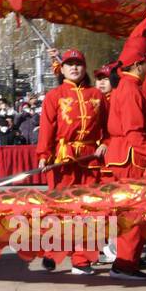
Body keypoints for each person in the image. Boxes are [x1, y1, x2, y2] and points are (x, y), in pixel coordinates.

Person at [34, 49, 108, 275]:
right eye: (69, 64)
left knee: (89, 209)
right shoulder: (54, 95)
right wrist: (43, 155)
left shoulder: (97, 94)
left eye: (78, 63)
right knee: (59, 208)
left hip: (90, 157)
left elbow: (109, 124)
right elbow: (47, 128)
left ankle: (82, 259)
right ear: (62, 68)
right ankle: (51, 252)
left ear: (84, 67)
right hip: (63, 158)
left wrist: (107, 141)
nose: (74, 68)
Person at [102, 37, 146, 281]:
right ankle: (124, 264)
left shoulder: (126, 88)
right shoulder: (131, 90)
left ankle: (127, 261)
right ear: (138, 64)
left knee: (130, 213)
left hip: (126, 156)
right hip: (132, 158)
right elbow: (134, 132)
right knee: (132, 213)